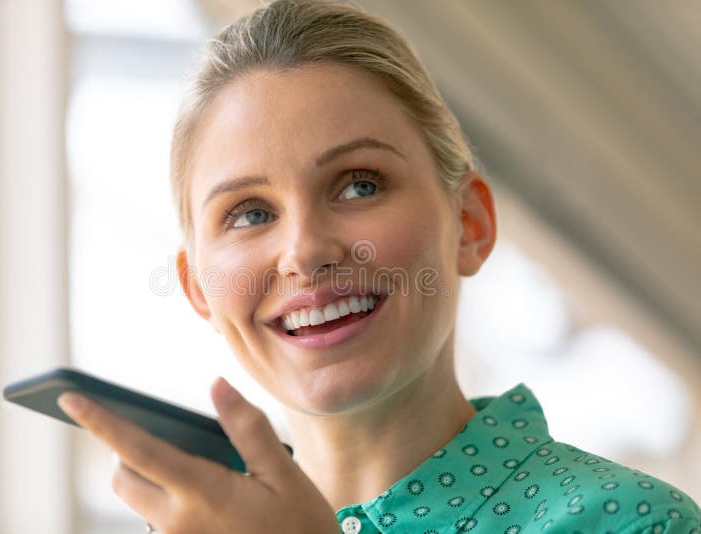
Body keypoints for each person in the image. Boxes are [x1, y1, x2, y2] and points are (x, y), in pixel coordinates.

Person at [56, 1, 701, 532]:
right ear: (199, 286)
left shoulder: (633, 523)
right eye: (250, 213)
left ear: (469, 226)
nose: (305, 251)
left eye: (359, 184)